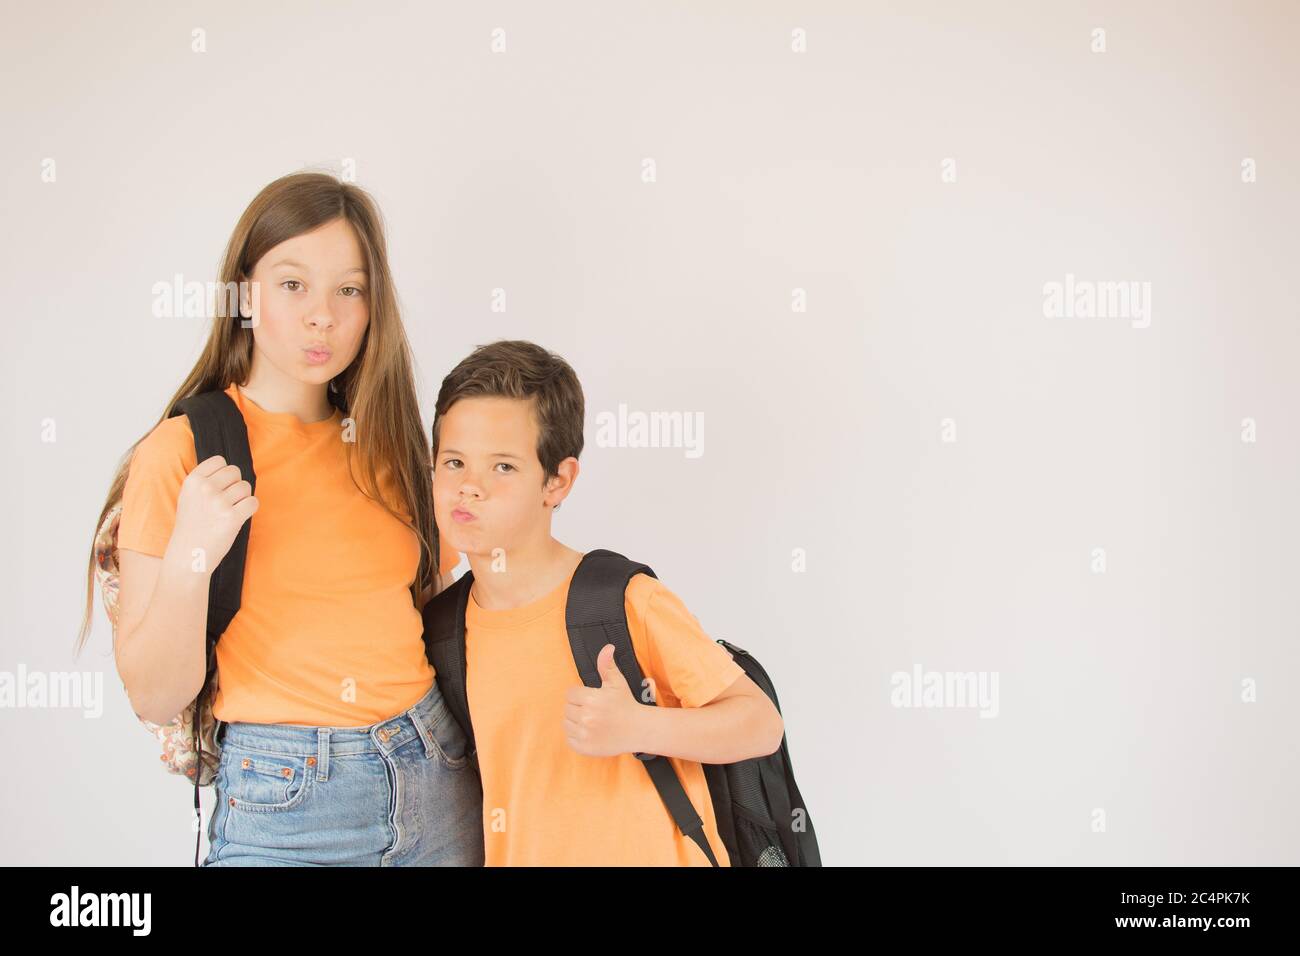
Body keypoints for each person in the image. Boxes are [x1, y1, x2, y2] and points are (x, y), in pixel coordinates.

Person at [76, 172, 483, 866]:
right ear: (244, 295)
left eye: (348, 289)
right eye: (292, 285)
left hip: (436, 775)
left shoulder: (394, 444)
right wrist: (191, 558)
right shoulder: (185, 449)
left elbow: (435, 617)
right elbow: (154, 691)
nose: (322, 315)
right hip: (287, 805)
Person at [430, 339, 785, 865]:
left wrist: (640, 726)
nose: (470, 487)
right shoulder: (443, 630)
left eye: (503, 467)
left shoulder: (619, 601)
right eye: (454, 462)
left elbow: (760, 724)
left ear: (558, 480)